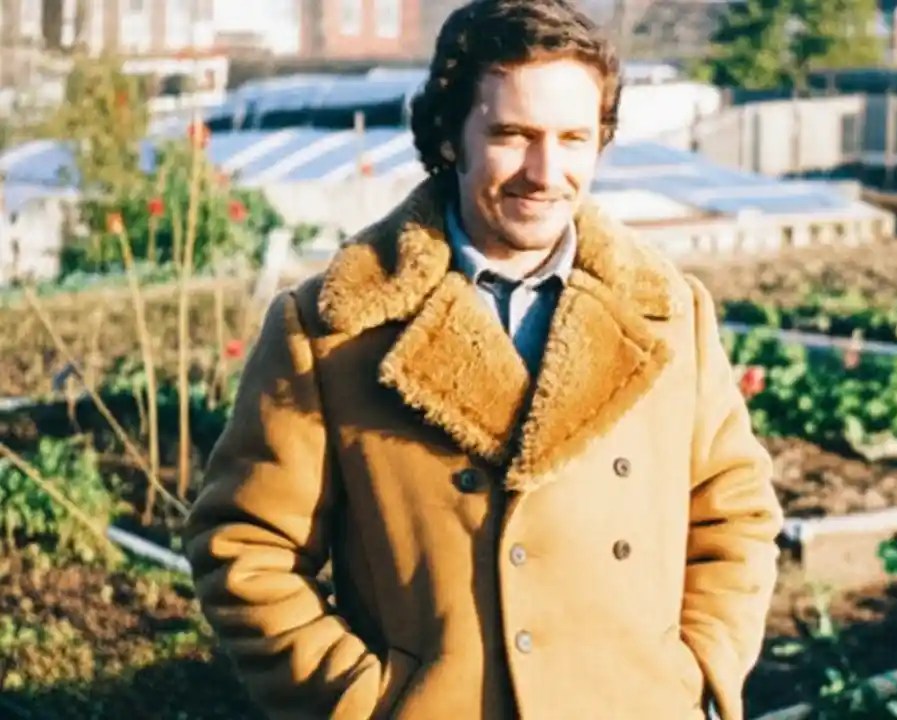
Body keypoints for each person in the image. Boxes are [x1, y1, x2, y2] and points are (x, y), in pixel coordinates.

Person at [182, 1, 784, 718]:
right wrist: (363, 703)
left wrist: (698, 666)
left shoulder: (669, 313)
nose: (545, 171)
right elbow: (247, 546)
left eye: (573, 138)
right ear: (449, 135)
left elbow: (735, 513)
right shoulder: (334, 330)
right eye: (512, 135)